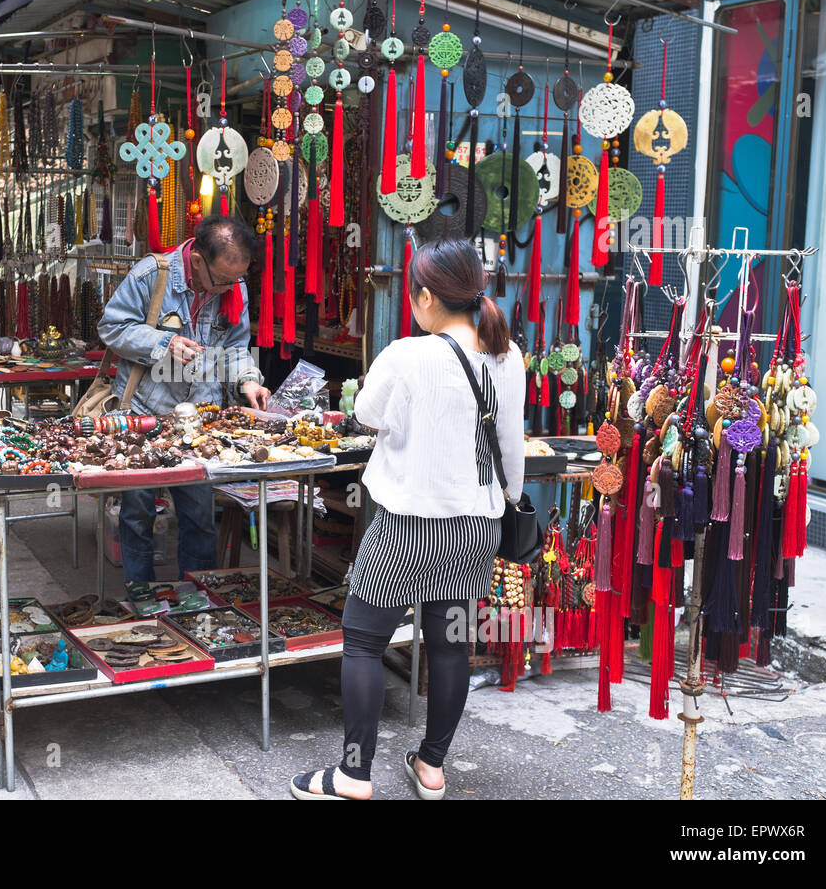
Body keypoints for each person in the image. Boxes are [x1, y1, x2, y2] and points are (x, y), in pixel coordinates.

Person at [290, 237, 525, 801]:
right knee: (449, 646)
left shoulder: (407, 354)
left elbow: (366, 413)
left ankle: (353, 772)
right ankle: (432, 767)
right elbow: (511, 447)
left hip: (406, 527)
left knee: (363, 641)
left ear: (424, 296)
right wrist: (509, 497)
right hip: (476, 526)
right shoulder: (507, 354)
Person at [97, 215, 270, 584]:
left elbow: (236, 347)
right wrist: (164, 343)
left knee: (198, 515)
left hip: (200, 418)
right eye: (222, 279)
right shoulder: (152, 275)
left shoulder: (233, 287)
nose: (229, 288)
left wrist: (248, 380)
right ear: (196, 261)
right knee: (137, 512)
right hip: (145, 413)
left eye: (236, 279)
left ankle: (197, 602)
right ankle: (140, 592)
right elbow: (111, 326)